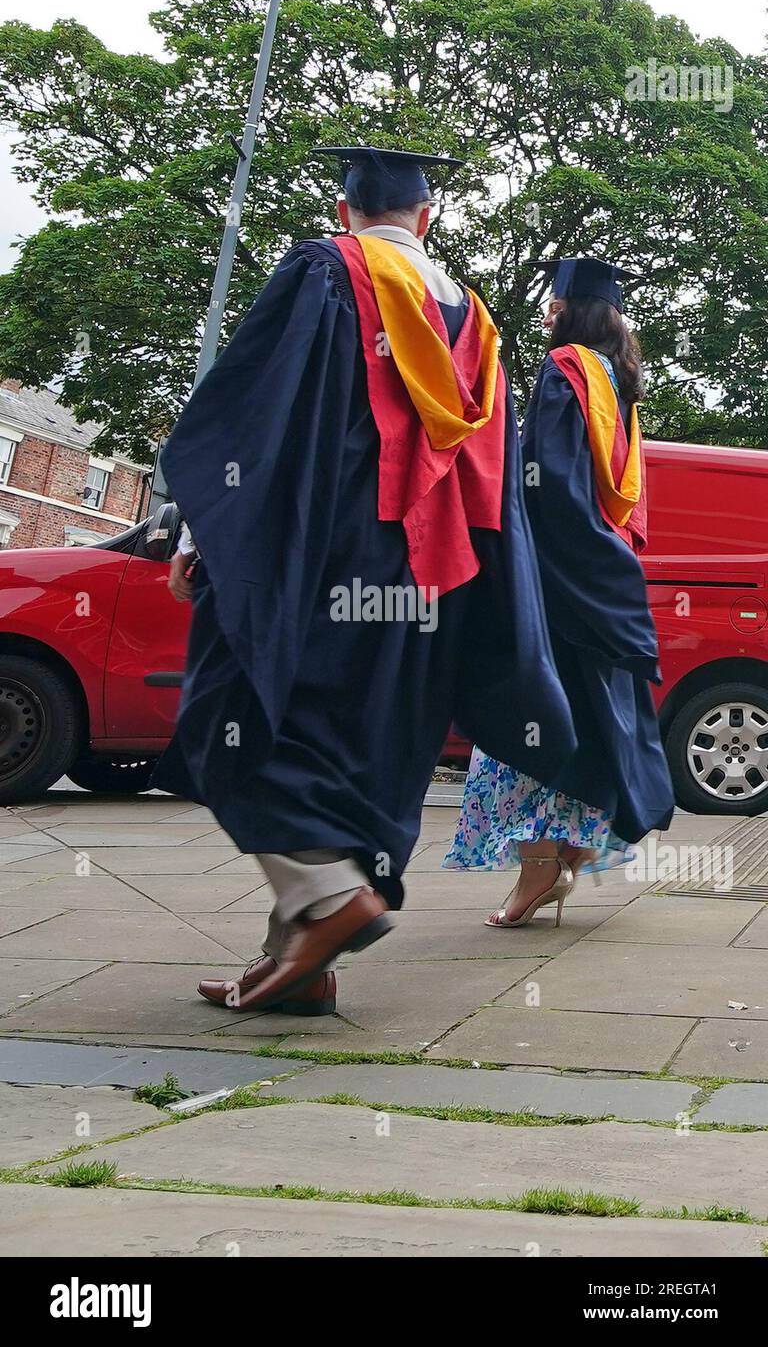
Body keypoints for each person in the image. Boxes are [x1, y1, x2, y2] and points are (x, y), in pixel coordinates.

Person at [153, 146, 576, 1014]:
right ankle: (299, 969)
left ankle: (323, 893)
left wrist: (204, 526)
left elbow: (255, 411)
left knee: (229, 711)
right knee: (368, 749)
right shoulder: (476, 320)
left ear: (346, 210)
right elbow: (494, 470)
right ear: (426, 218)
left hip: (322, 559)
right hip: (433, 574)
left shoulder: (324, 269)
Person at [444, 256, 675, 926]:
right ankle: (567, 858)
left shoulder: (564, 371)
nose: (547, 310)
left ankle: (539, 876)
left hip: (554, 584)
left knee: (531, 721)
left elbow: (546, 481)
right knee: (591, 723)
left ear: (577, 310)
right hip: (596, 580)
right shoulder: (617, 383)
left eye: (555, 300)